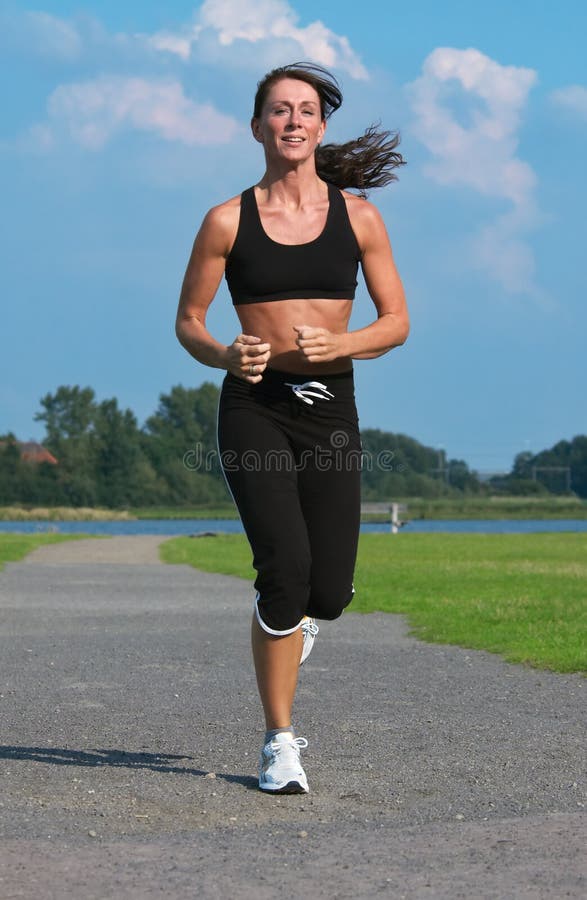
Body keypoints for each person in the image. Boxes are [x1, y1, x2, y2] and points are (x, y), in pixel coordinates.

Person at [176, 62, 409, 794]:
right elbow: (188, 323)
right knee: (284, 573)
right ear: (258, 127)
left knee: (329, 591)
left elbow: (397, 322)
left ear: (321, 127)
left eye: (306, 110)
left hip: (330, 410)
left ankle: (296, 622)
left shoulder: (359, 217)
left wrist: (342, 345)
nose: (293, 121)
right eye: (279, 110)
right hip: (254, 409)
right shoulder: (226, 219)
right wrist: (223, 352)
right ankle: (279, 742)